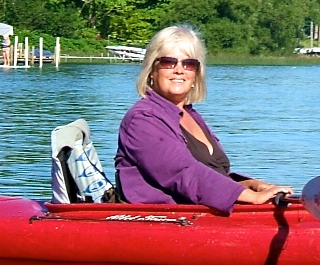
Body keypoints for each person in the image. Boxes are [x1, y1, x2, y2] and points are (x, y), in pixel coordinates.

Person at [115, 24, 293, 213]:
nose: (179, 70)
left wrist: (249, 184)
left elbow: (211, 171)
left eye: (188, 64)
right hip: (165, 222)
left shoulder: (190, 115)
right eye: (169, 62)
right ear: (152, 70)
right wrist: (251, 197)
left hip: (197, 216)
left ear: (196, 73)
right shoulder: (142, 120)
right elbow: (183, 173)